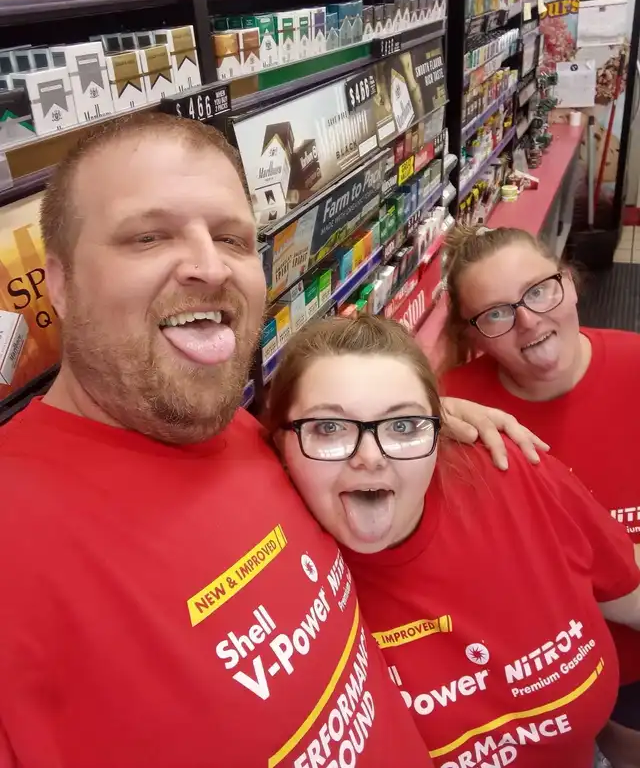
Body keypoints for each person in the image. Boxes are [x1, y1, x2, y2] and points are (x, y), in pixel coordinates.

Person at [0, 113, 544, 768]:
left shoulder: (241, 431)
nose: (209, 266)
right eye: (148, 236)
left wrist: (412, 418)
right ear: (60, 283)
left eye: (232, 238)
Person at [266, 314, 640, 768]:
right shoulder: (275, 574)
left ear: (438, 430)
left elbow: (627, 589)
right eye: (329, 427)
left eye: (402, 425)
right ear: (279, 446)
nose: (370, 457)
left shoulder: (507, 470)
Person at [438, 224, 640, 765]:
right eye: (496, 314)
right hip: (531, 677)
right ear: (474, 335)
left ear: (569, 283)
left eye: (539, 291)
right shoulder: (450, 412)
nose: (528, 320)